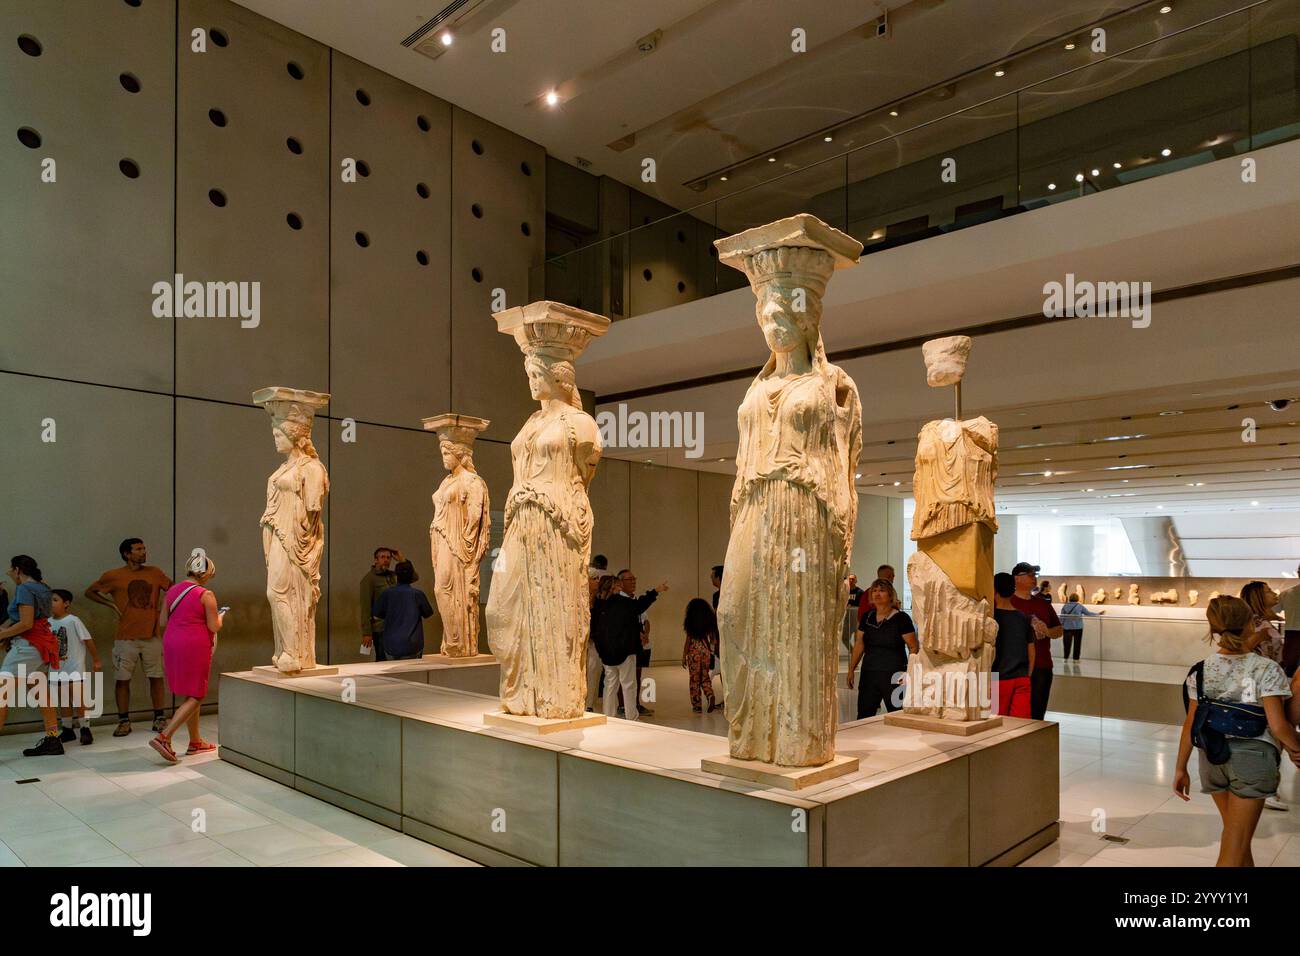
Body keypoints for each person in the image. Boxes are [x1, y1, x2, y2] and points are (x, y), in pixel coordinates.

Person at [1173, 596, 1300, 866]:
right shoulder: (1265, 668)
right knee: (1235, 845)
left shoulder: (1201, 669)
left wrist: (1180, 768)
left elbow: (1191, 721)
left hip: (1212, 758)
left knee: (1236, 839)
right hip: (1252, 760)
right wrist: (1296, 749)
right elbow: (1278, 725)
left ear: (1213, 628)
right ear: (1250, 624)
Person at [84, 538, 172, 736]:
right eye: (138, 549)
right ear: (127, 554)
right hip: (126, 637)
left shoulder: (155, 572)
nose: (143, 552)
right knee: (122, 679)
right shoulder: (113, 576)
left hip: (152, 636)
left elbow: (173, 590)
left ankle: (159, 717)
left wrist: (162, 611)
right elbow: (90, 592)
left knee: (156, 676)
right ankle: (123, 720)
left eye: (144, 548)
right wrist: (112, 605)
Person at [150, 549, 225, 763]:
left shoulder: (172, 591)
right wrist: (222, 617)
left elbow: (163, 622)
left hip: (172, 643)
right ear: (206, 573)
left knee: (188, 692)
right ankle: (165, 737)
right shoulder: (205, 594)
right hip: (195, 644)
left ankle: (195, 742)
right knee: (197, 694)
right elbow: (214, 626)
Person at [0, 556, 63, 755]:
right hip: (41, 644)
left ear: (17, 569)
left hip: (28, 646)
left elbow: (26, 623)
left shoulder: (25, 589)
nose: (9, 573)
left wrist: (2, 634)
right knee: (41, 693)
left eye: (10, 570)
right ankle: (53, 740)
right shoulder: (43, 587)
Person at [595, 571, 666, 721]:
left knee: (610, 685)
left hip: (607, 653)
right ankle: (631, 717)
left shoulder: (599, 606)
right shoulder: (623, 603)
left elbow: (597, 631)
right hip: (625, 651)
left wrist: (601, 650)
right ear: (615, 586)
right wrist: (656, 591)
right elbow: (640, 605)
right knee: (628, 685)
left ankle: (609, 716)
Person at [847, 579, 916, 719]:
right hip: (869, 672)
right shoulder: (868, 617)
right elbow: (859, 643)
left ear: (890, 595)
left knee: (898, 714)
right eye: (875, 590)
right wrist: (851, 669)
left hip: (895, 674)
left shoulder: (901, 618)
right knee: (864, 713)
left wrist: (909, 671)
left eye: (882, 590)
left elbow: (913, 646)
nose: (877, 593)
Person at [1009, 562, 1062, 720]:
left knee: (1037, 714)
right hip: (1013, 666)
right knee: (1012, 715)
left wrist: (1046, 631)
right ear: (1017, 579)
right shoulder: (1006, 602)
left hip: (1042, 665)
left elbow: (1058, 630)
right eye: (1030, 574)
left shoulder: (1042, 604)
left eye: (1035, 575)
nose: (1034, 578)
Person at [49, 589, 101, 745]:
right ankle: (67, 729)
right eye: (50, 600)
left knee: (78, 699)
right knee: (63, 700)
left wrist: (96, 659)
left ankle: (85, 728)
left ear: (66, 604)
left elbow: (87, 640)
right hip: (56, 667)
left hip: (74, 667)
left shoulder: (73, 620)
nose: (51, 603)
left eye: (55, 599)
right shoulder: (48, 623)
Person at [992, 572, 1035, 718]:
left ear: (994, 591)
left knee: (996, 725)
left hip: (997, 679)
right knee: (1020, 727)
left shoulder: (991, 619)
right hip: (1022, 679)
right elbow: (1031, 649)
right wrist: (1027, 675)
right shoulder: (1023, 618)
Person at [372, 560, 433, 660]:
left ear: (396, 575)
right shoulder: (417, 594)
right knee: (414, 674)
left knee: (393, 675)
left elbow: (377, 614)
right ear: (412, 576)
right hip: (413, 644)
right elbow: (428, 613)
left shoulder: (386, 594)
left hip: (391, 644)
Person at [620, 568, 656, 716]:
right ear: (620, 582)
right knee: (623, 677)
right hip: (626, 644)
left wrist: (645, 634)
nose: (633, 582)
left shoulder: (635, 599)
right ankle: (623, 706)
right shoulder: (619, 600)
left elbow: (646, 620)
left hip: (640, 644)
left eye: (634, 579)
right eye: (629, 579)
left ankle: (635, 704)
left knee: (637, 675)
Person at [359, 547, 401, 662]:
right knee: (383, 659)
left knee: (397, 659)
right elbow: (365, 607)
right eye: (382, 557)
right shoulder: (369, 579)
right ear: (376, 560)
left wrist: (402, 560)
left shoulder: (393, 576)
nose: (386, 560)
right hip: (380, 627)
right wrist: (367, 632)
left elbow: (413, 577)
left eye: (388, 557)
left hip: (396, 625)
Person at [681, 598, 719, 713]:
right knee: (705, 676)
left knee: (694, 679)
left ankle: (697, 705)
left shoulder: (691, 622)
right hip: (705, 651)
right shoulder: (709, 622)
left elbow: (688, 641)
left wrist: (684, 655)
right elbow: (713, 640)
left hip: (693, 653)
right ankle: (709, 694)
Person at [586, 573, 618, 711]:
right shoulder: (593, 602)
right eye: (594, 579)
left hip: (603, 642)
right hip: (594, 643)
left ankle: (607, 707)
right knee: (593, 673)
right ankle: (589, 705)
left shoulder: (602, 602)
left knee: (608, 676)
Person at [1242, 581, 1284, 665]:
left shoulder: (1261, 621)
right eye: (1269, 591)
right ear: (1258, 597)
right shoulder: (1258, 624)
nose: (1274, 593)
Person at [1059, 591, 1103, 662]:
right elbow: (1088, 613)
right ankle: (1076, 659)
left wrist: (1060, 625)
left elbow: (1062, 617)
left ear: (1070, 598)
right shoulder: (1079, 606)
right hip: (1078, 628)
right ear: (1077, 598)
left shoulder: (1065, 606)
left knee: (1066, 643)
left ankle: (1065, 658)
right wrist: (1098, 614)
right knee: (1077, 643)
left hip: (1067, 628)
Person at [1272, 568, 1300, 677]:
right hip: (1292, 635)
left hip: (1292, 635)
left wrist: (1279, 619)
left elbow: (1270, 611)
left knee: (1291, 669)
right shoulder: (1287, 594)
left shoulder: (1287, 594)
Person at [841, 574, 863, 654]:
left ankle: (857, 657)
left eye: (853, 579)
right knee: (844, 638)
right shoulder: (845, 591)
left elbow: (862, 605)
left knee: (857, 639)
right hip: (848, 617)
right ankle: (853, 653)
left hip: (856, 617)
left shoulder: (860, 592)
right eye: (849, 579)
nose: (851, 581)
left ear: (856, 580)